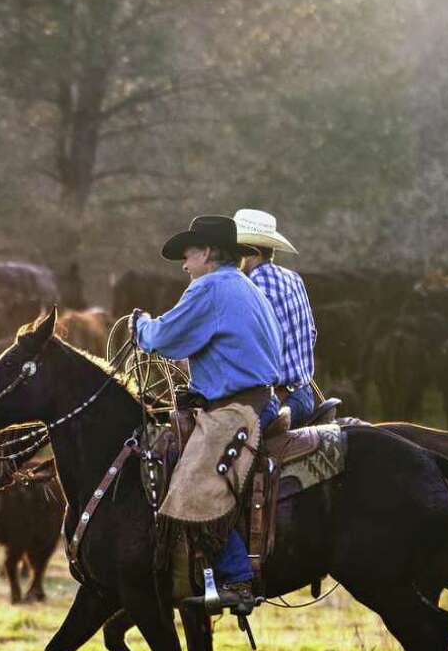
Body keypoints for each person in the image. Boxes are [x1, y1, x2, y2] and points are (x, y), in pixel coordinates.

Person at [132, 215, 286, 612]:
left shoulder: (210, 288)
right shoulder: (244, 287)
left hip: (238, 408)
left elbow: (164, 337)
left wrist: (139, 326)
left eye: (187, 255)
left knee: (190, 487)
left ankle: (236, 579)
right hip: (257, 398)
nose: (184, 265)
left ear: (206, 253)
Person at [233, 209, 321, 426]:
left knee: (225, 445)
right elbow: (311, 334)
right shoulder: (294, 279)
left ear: (247, 251)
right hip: (305, 394)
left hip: (277, 401)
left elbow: (246, 350)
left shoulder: (251, 288)